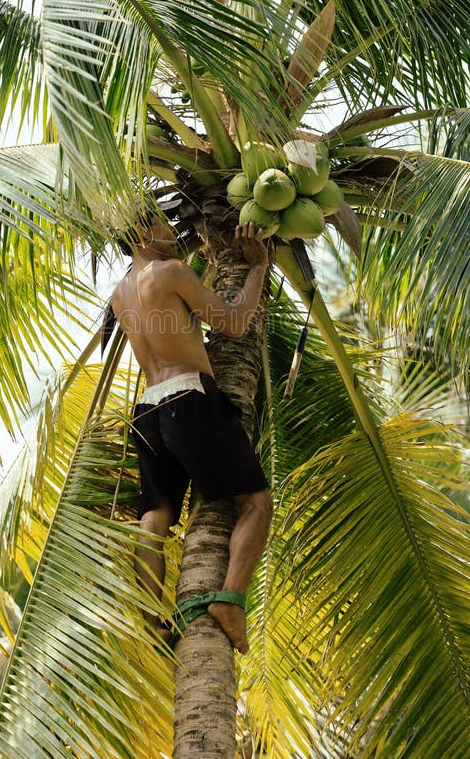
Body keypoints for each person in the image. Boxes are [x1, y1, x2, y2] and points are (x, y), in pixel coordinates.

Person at [110, 210, 273, 654]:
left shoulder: (120, 294)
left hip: (147, 410)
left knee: (154, 518)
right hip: (189, 401)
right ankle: (231, 599)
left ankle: (150, 620)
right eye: (162, 224)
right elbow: (235, 322)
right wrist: (257, 266)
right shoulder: (172, 272)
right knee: (256, 504)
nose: (172, 231)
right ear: (143, 234)